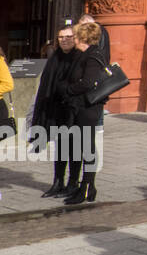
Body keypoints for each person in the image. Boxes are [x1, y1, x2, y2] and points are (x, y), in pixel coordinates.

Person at [56, 21, 111, 206]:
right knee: (82, 146)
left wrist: (68, 89)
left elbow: (87, 82)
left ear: (83, 38)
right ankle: (86, 187)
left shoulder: (93, 56)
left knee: (87, 147)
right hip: (81, 107)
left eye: (76, 36)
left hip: (88, 108)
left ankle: (87, 187)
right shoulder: (84, 54)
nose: (74, 39)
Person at [30, 25, 79, 197]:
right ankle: (58, 181)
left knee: (74, 148)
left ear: (75, 37)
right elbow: (46, 85)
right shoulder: (55, 58)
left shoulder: (79, 57)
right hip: (56, 109)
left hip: (73, 110)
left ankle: (73, 183)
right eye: (60, 37)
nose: (64, 40)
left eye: (68, 36)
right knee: (61, 148)